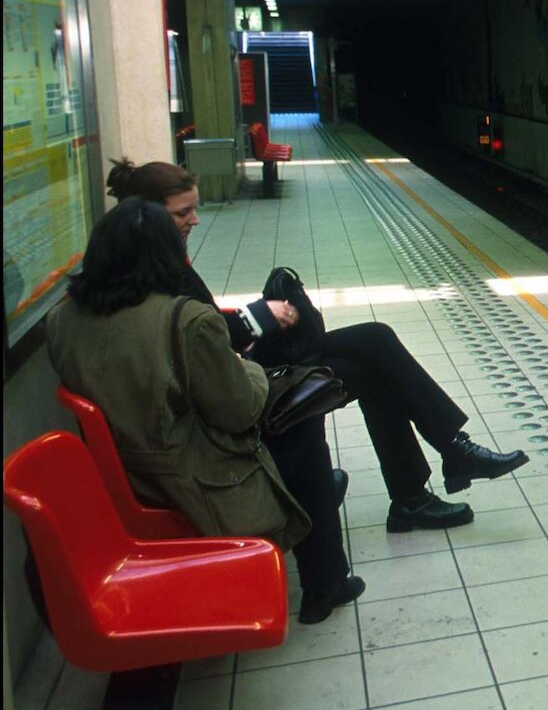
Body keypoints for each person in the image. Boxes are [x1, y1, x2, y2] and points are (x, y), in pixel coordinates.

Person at [105, 159, 528, 533]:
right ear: (146, 214)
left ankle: (435, 470)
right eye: (183, 212)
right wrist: (257, 317)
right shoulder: (147, 268)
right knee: (375, 358)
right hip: (233, 395)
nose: (194, 220)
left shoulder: (146, 255)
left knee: (375, 347)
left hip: (230, 373)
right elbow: (198, 335)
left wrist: (255, 321)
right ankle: (432, 475)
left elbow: (198, 328)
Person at [46, 198, 364, 624]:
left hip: (119, 472)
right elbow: (241, 411)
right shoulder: (186, 319)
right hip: (187, 479)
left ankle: (327, 570)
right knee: (302, 423)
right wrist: (246, 367)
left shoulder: (62, 319)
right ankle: (325, 582)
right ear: (167, 256)